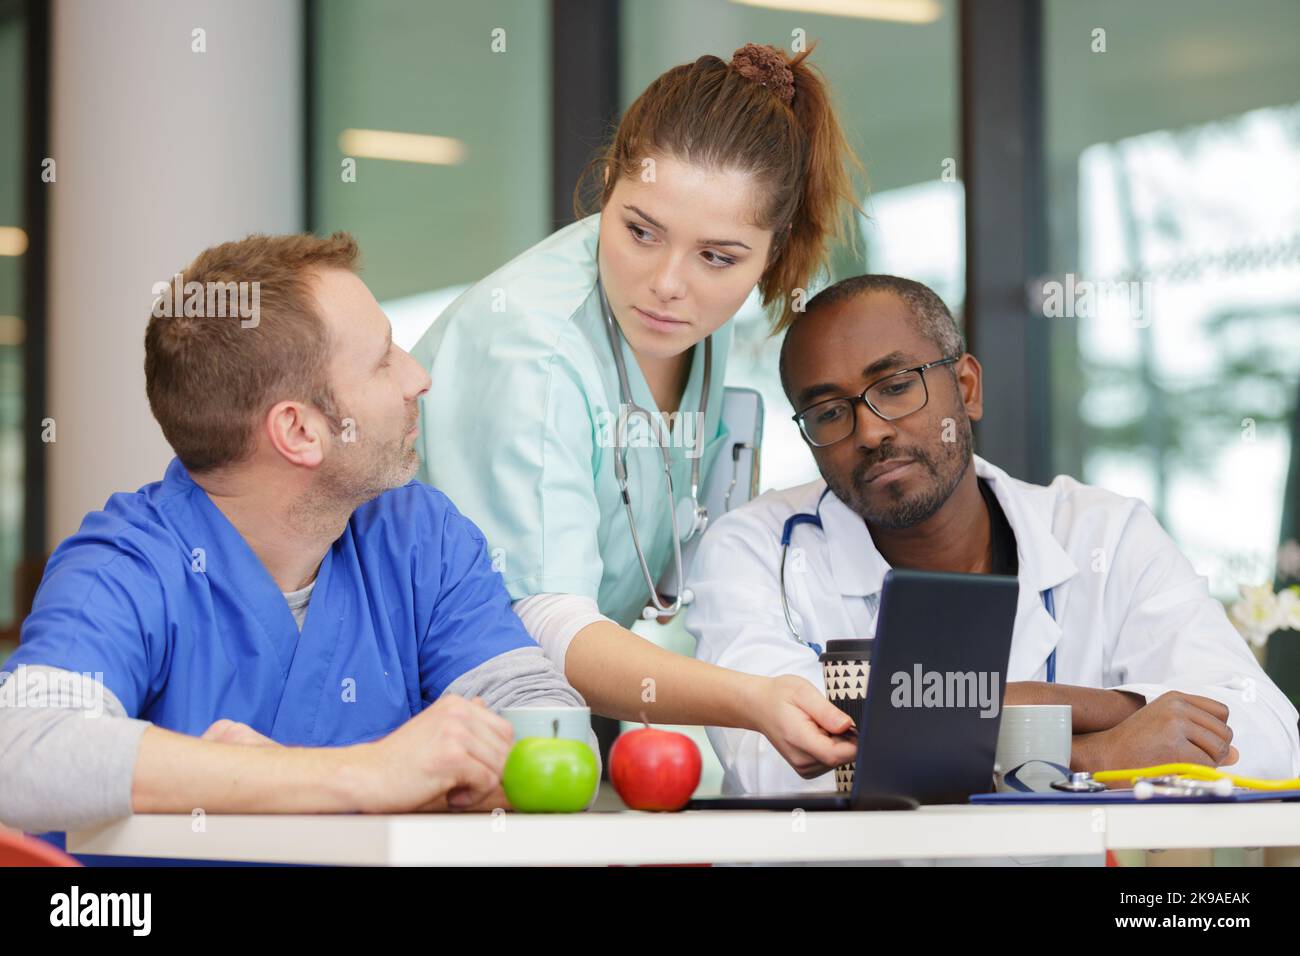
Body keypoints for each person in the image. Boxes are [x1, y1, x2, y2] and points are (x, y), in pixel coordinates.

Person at [0, 233, 595, 836]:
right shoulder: (126, 565)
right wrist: (361, 776)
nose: (418, 377)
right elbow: (21, 751)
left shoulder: (422, 539)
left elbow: (557, 737)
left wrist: (303, 780)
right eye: (384, 358)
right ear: (300, 431)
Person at [413, 42, 864, 779]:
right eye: (640, 231)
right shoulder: (532, 344)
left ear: (770, 252)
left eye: (718, 257)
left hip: (535, 726)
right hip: (416, 712)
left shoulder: (695, 337)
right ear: (610, 182)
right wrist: (752, 700)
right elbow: (543, 622)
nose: (666, 284)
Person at [687, 274, 1300, 796]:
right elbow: (781, 765)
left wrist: (1110, 712)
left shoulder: (1104, 534)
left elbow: (1269, 734)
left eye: (896, 386)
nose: (869, 431)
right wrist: (1095, 751)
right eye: (828, 411)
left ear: (968, 388)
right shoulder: (756, 549)